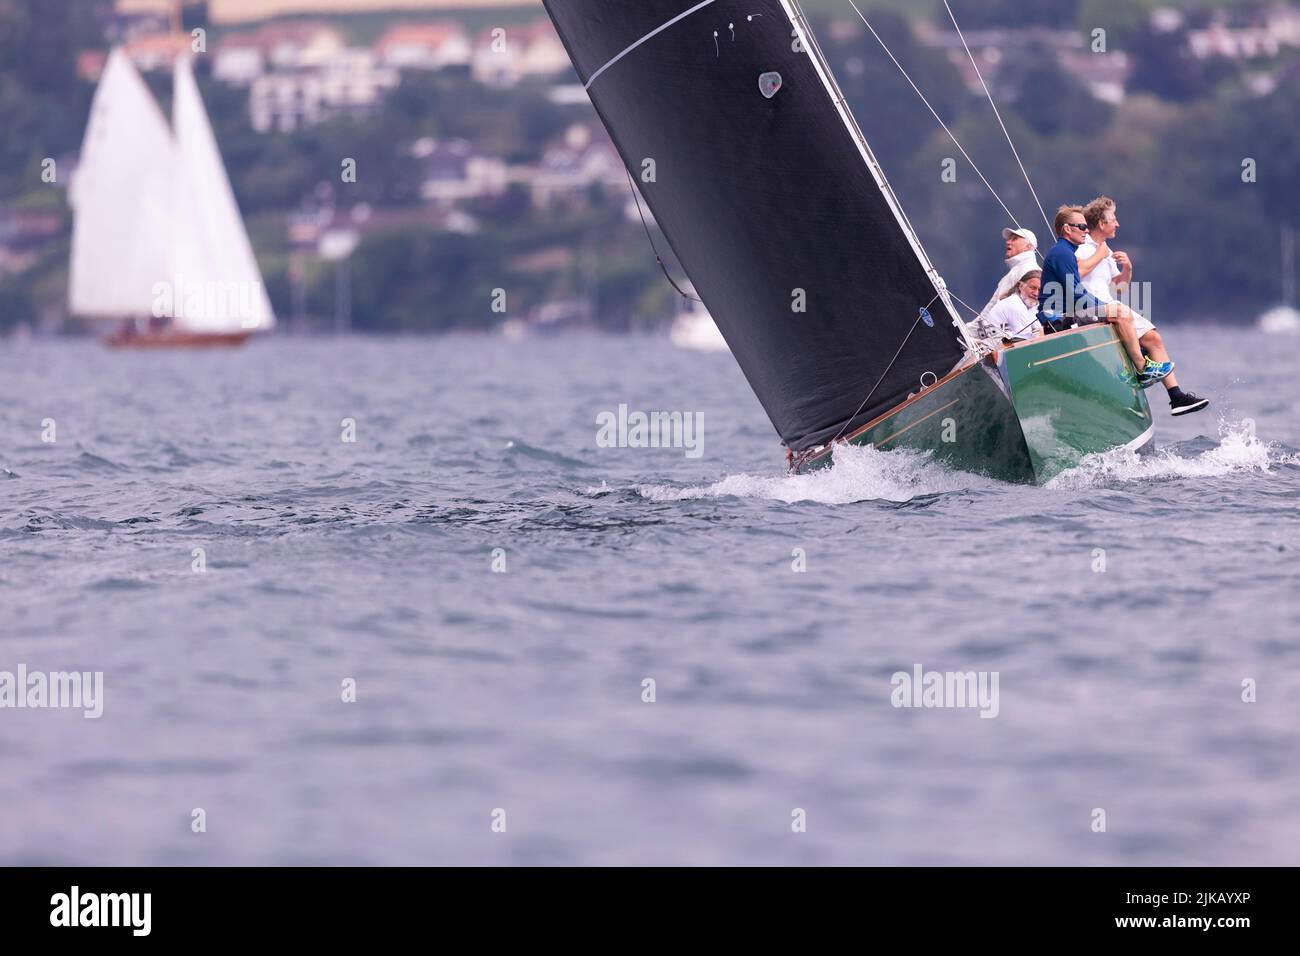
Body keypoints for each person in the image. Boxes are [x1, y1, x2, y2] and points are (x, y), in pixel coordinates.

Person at [1077, 196, 1209, 416]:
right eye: (1114, 219)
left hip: (1110, 303)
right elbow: (1077, 273)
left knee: (1154, 338)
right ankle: (1143, 368)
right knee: (1125, 317)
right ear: (1102, 223)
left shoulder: (1106, 251)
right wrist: (1099, 255)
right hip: (1089, 307)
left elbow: (1119, 288)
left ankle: (1176, 397)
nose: (1117, 224)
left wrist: (1127, 269)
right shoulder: (1083, 248)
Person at [1037, 205, 1172, 388]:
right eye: (1082, 227)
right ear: (1067, 229)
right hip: (1059, 318)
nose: (1086, 231)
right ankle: (1142, 368)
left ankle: (1136, 366)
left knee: (1119, 312)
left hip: (1066, 312)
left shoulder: (1067, 251)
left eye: (1086, 226)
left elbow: (1109, 287)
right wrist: (1107, 308)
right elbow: (1077, 294)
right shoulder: (1062, 252)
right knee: (1120, 313)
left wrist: (1106, 307)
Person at [976, 227, 1039, 321]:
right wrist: (972, 328)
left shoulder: (1029, 270)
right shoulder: (1017, 271)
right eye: (1009, 239)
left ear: (1028, 247)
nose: (1008, 242)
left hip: (1007, 334)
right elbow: (993, 307)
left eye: (1015, 239)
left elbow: (1023, 312)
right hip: (999, 332)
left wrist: (973, 330)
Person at [981, 269, 1042, 342]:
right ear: (1020, 286)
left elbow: (1038, 331)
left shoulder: (1033, 306)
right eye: (1032, 288)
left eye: (1040, 290)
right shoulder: (1014, 304)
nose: (1036, 293)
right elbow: (1026, 341)